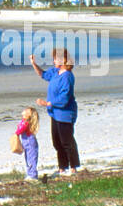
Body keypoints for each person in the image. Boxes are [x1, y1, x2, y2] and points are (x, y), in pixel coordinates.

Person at [31, 47, 81, 176]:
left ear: (64, 60)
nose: (53, 61)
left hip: (65, 114)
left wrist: (47, 103)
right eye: (53, 58)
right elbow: (43, 74)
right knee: (57, 142)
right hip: (54, 113)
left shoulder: (68, 76)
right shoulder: (55, 72)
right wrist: (34, 64)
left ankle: (73, 167)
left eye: (56, 58)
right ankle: (62, 168)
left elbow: (64, 98)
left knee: (67, 141)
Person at [15, 105, 40, 181]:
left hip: (30, 142)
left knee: (31, 158)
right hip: (26, 142)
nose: (24, 111)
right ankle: (30, 173)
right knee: (28, 158)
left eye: (26, 111)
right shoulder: (24, 122)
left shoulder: (26, 123)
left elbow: (20, 130)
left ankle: (33, 174)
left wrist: (16, 134)